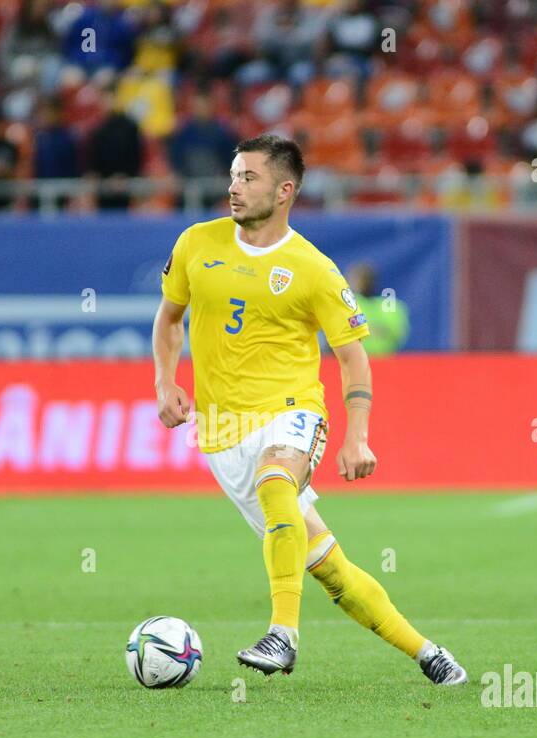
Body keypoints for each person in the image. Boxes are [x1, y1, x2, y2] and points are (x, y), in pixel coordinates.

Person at [152, 133, 468, 686]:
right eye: (233, 175)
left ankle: (283, 635)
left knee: (278, 478)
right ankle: (430, 655)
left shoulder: (314, 269)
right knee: (332, 571)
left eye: (248, 178)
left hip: (293, 410)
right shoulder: (195, 243)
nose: (234, 187)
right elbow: (168, 319)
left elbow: (353, 360)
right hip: (223, 432)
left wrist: (357, 436)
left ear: (284, 190)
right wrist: (165, 383)